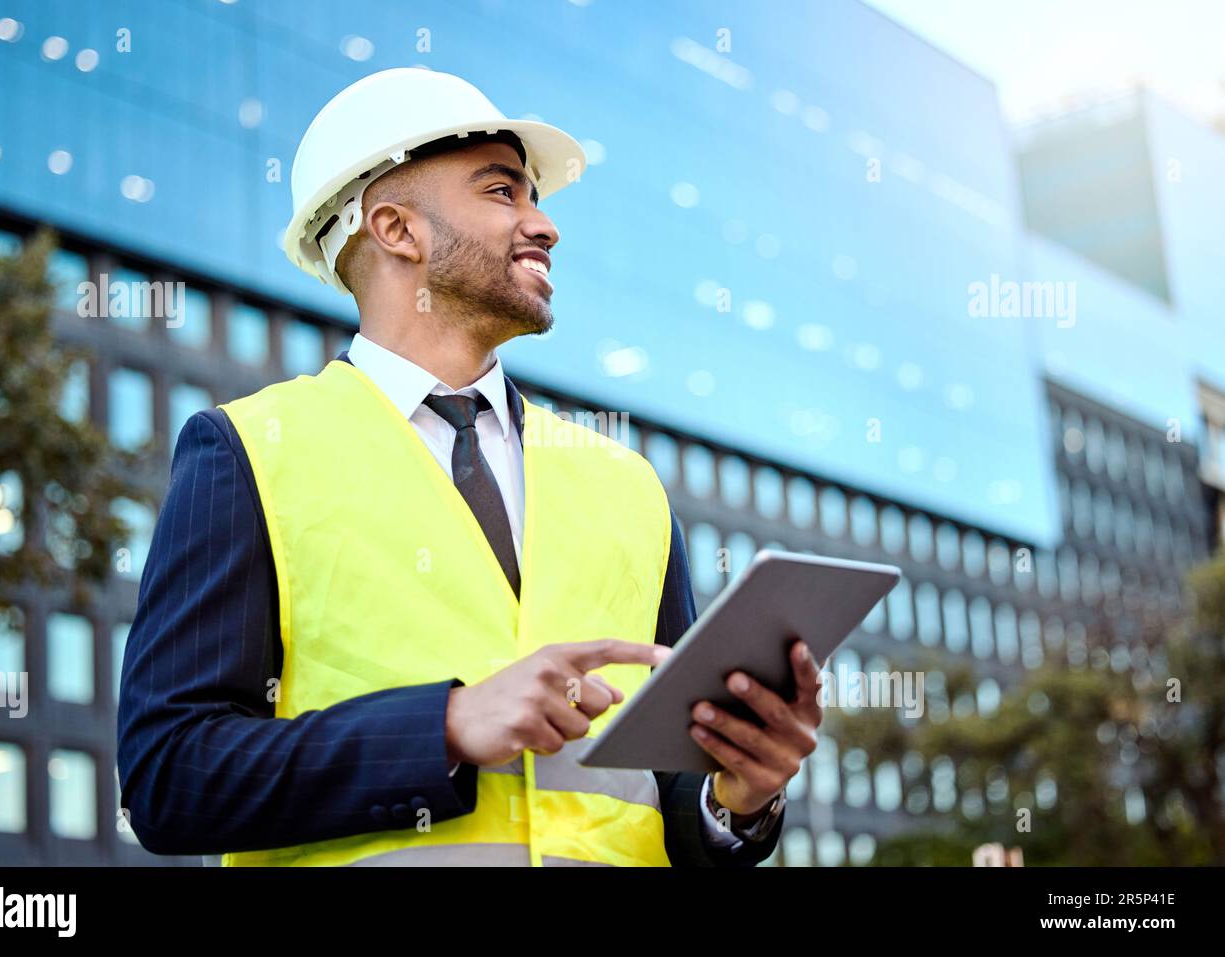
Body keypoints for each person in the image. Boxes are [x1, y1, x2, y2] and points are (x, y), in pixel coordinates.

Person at [116, 68, 823, 867]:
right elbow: (166, 778)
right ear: (396, 229)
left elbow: (674, 809)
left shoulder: (627, 486)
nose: (544, 225)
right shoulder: (248, 452)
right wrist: (446, 726)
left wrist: (741, 797)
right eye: (503, 193)